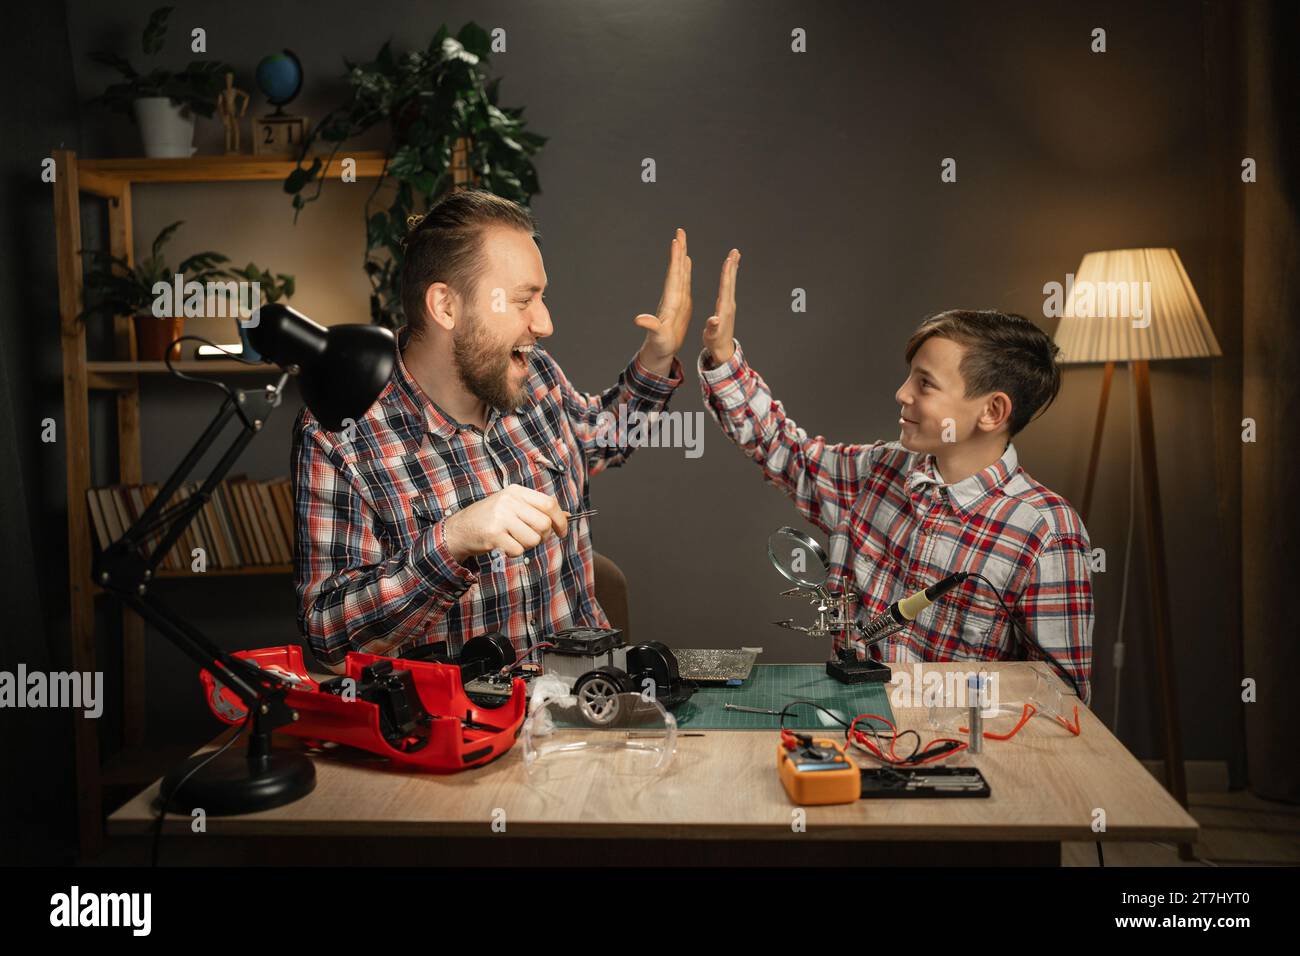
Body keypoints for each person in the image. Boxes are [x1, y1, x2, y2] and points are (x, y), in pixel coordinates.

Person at [292, 189, 693, 670]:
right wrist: (454, 540)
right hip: (464, 729)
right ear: (445, 307)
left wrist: (657, 356)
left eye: (542, 297)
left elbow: (600, 438)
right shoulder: (339, 433)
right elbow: (330, 637)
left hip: (587, 708)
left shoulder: (534, 374)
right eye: (524, 299)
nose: (545, 323)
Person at [698, 250, 1093, 703]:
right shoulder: (879, 472)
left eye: (925, 383)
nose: (901, 393)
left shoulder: (1046, 533)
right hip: (856, 730)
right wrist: (724, 355)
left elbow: (1060, 702)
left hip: (962, 755)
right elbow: (782, 449)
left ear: (992, 411)